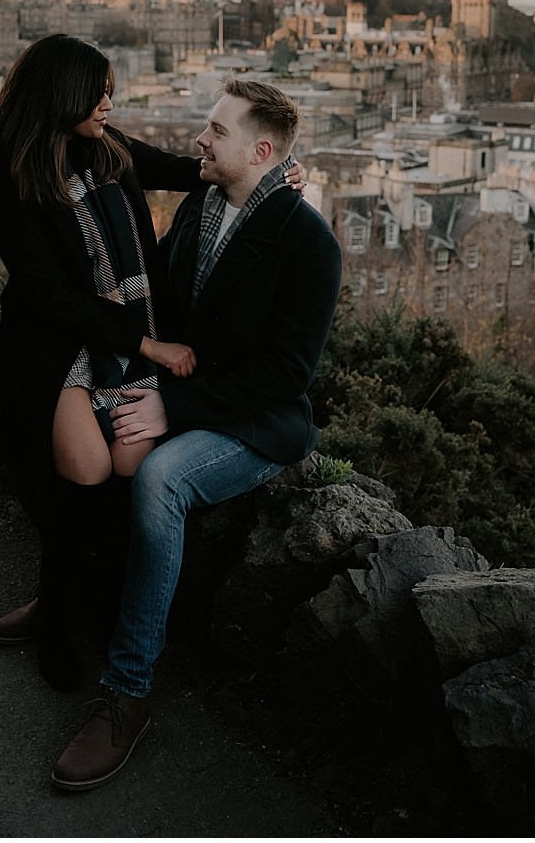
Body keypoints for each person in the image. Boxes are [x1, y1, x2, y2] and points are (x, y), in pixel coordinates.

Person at [50, 76, 342, 792]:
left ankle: (127, 693)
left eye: (216, 131)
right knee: (73, 418)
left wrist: (172, 413)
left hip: (256, 421)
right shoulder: (203, 205)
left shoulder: (309, 243)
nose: (200, 141)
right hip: (180, 387)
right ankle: (65, 596)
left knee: (159, 477)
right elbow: (166, 308)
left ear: (263, 150)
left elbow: (284, 375)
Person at [0, 34, 205, 691]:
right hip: (56, 349)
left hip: (120, 337)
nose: (111, 101)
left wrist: (260, 171)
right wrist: (147, 344)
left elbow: (178, 168)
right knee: (87, 466)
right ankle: (57, 622)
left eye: (111, 90)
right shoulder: (10, 183)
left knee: (129, 466)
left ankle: (89, 603)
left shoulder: (110, 151)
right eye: (99, 91)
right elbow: (53, 298)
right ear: (61, 94)